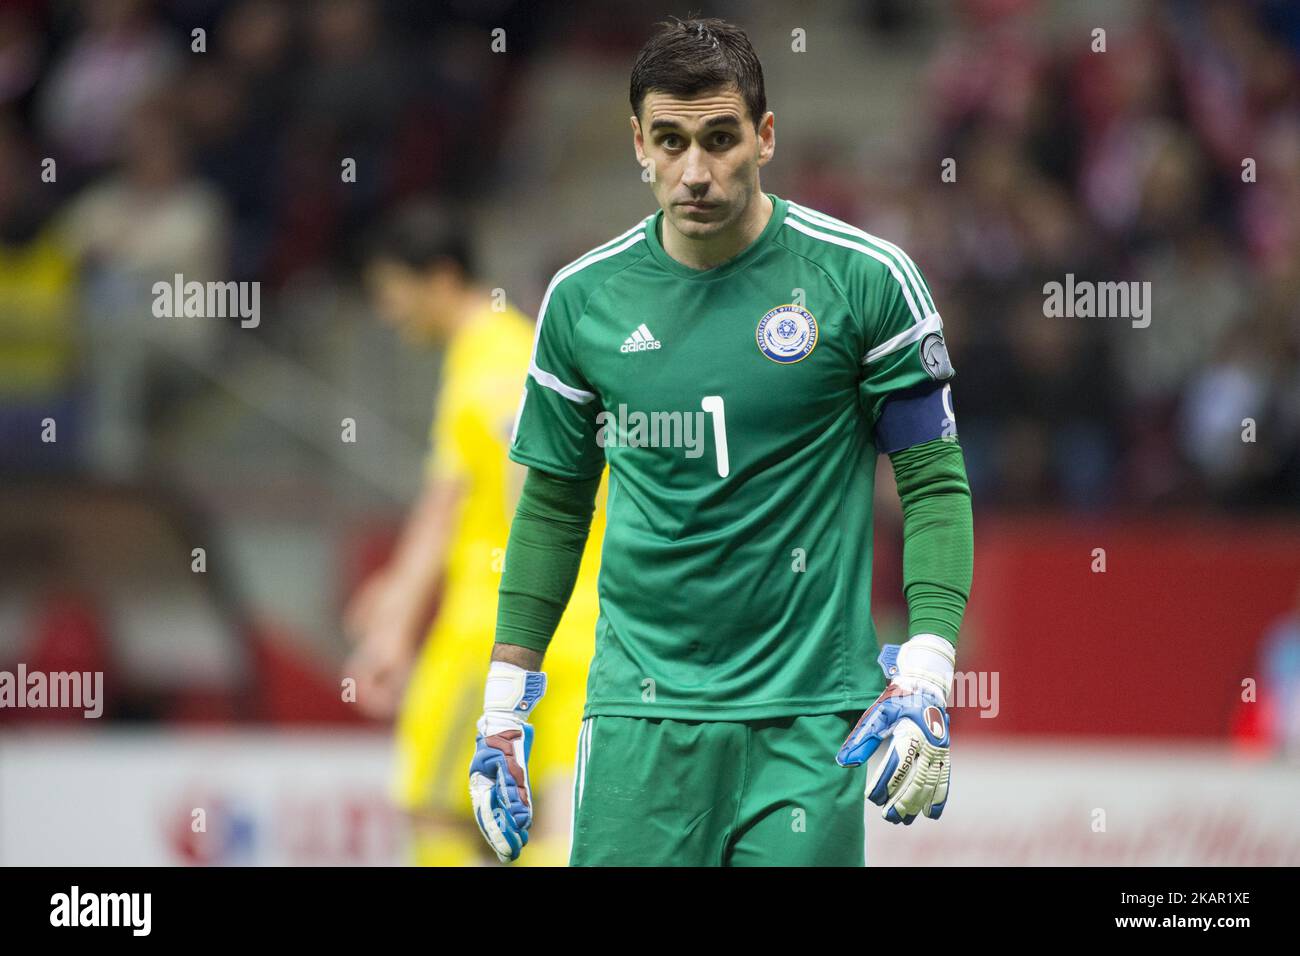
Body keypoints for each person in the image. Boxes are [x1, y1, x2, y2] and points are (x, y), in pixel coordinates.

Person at [469, 16, 973, 867]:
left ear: (765, 137)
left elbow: (932, 485)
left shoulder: (864, 280)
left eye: (720, 139)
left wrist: (926, 666)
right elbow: (553, 506)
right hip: (638, 718)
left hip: (810, 722)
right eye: (669, 141)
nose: (694, 171)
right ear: (638, 142)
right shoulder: (582, 302)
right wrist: (504, 703)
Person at [345, 201, 604, 866]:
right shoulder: (520, 345)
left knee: (433, 807)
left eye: (390, 292)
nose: (387, 312)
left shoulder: (486, 361)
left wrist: (396, 622)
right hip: (575, 626)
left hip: (490, 631)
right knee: (535, 825)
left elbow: (461, 496)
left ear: (438, 277)